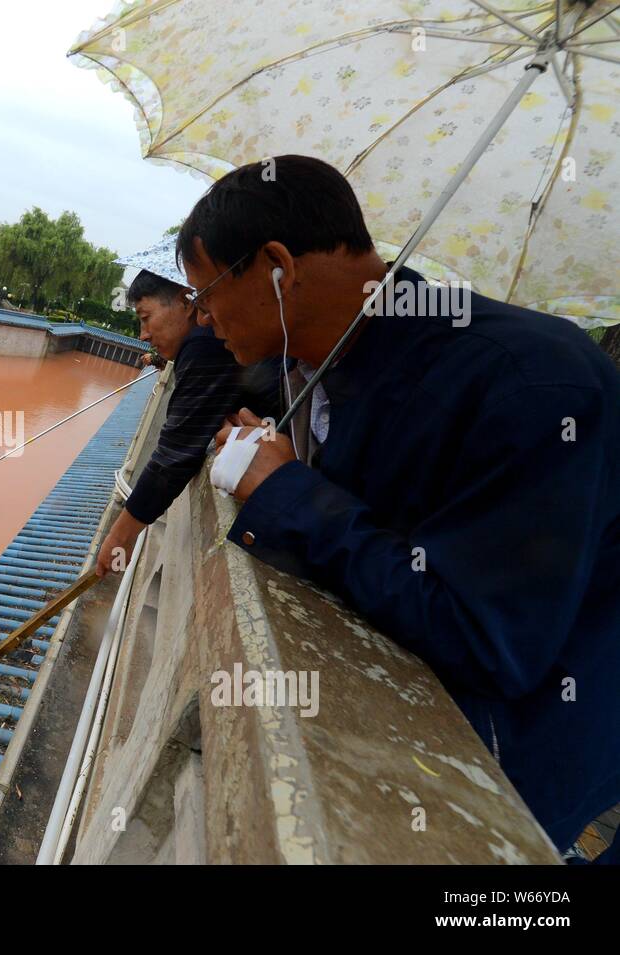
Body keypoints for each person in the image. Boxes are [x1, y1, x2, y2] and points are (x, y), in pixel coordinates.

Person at [181, 154, 620, 861]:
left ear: (275, 266)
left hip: (517, 751)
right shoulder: (319, 367)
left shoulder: (532, 386)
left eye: (205, 293)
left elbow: (483, 635)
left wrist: (287, 492)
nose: (201, 317)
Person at [96, 238, 280, 577]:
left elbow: (175, 455)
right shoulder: (203, 342)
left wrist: (119, 536)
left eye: (146, 317)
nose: (143, 334)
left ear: (186, 302)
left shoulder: (203, 343)